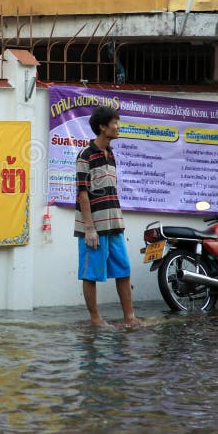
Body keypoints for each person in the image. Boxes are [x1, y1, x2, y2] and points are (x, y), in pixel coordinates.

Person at [75, 106, 140, 327]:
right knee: (91, 274)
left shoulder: (110, 155)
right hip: (93, 226)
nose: (118, 126)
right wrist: (89, 228)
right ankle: (95, 319)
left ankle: (129, 317)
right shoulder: (85, 155)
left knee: (124, 270)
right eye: (114, 123)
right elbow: (82, 194)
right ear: (102, 127)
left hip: (114, 224)